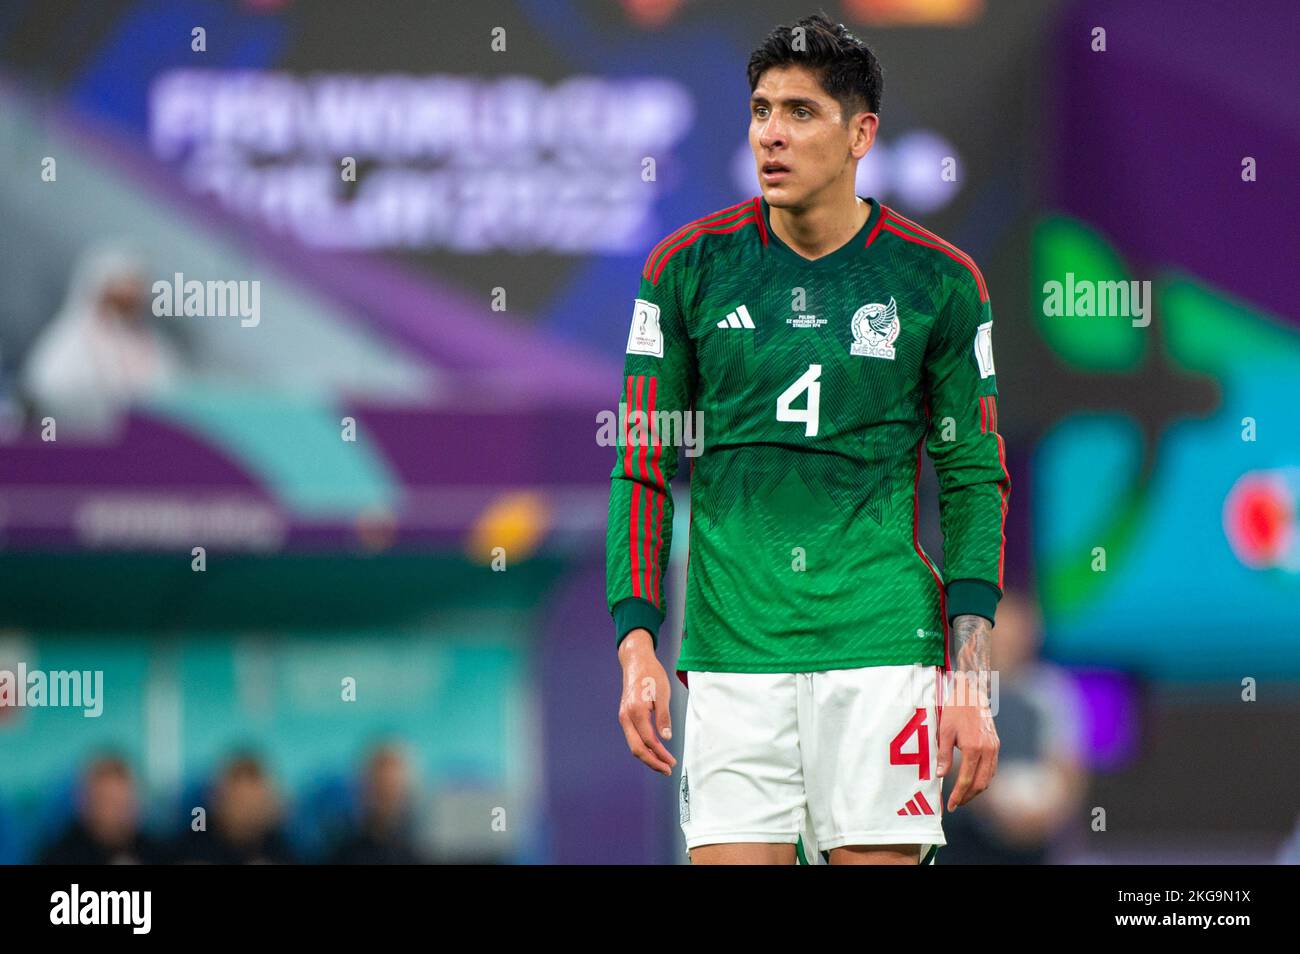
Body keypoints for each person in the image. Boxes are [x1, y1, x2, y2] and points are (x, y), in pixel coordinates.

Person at [606, 13, 1010, 865]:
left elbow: (974, 477)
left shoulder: (938, 282)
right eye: (760, 111)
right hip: (731, 655)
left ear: (861, 133)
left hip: (881, 653)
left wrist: (972, 682)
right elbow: (642, 467)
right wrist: (637, 641)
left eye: (799, 112)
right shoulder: (684, 271)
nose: (771, 135)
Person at [940, 590, 1089, 863]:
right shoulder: (952, 688)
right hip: (963, 839)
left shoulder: (1051, 690)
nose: (1008, 642)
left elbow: (1069, 768)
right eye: (1001, 633)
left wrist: (1044, 815)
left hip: (1033, 841)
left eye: (1017, 633)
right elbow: (951, 767)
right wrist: (994, 808)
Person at [21, 242, 184, 433]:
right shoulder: (68, 343)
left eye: (137, 286)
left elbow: (175, 398)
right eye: (124, 286)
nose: (132, 294)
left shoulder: (156, 346)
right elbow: (46, 395)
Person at [38, 755, 166, 865]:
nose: (110, 813)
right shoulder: (59, 856)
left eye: (119, 803)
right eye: (104, 801)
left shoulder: (155, 853)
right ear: (84, 802)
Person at [173, 754, 295, 864]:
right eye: (240, 802)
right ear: (217, 799)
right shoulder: (192, 847)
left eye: (255, 804)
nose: (248, 814)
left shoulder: (281, 849)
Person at [329, 744, 430, 864]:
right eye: (380, 790)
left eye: (392, 789)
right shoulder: (343, 852)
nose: (387, 797)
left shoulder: (423, 850)